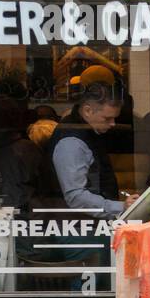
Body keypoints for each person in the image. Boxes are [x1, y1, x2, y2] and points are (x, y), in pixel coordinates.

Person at [48, 69, 134, 219]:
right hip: (76, 228)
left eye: (114, 118)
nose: (113, 124)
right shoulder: (71, 142)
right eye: (107, 118)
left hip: (86, 224)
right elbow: (75, 196)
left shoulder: (90, 132)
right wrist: (120, 207)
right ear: (88, 111)